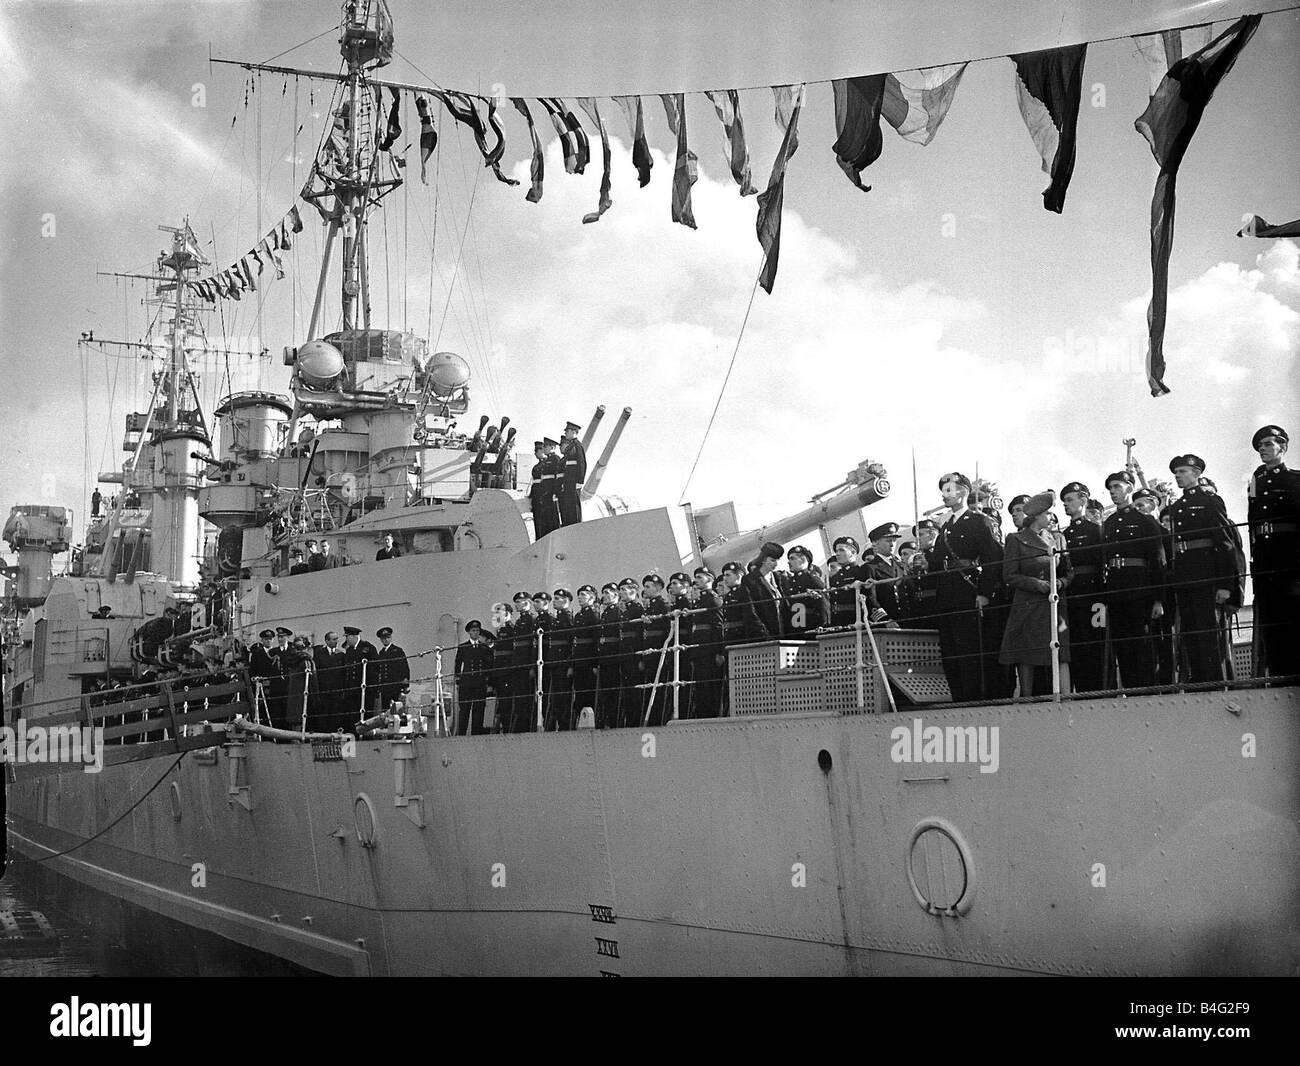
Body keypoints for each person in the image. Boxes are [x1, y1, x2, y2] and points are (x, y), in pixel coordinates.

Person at [1163, 454, 1240, 684]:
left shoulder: (1209, 501)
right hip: (1185, 578)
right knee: (1190, 635)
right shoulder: (1176, 507)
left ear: (1196, 474)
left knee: (1208, 636)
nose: (1178, 475)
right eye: (1176, 472)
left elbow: (1225, 544)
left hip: (1206, 577)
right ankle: (1199, 684)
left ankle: (1215, 684)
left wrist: (1226, 584)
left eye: (1183, 471)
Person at [932, 472, 1004, 702]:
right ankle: (958, 697)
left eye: (949, 490)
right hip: (947, 592)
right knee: (950, 650)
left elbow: (993, 559)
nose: (944, 495)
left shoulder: (979, 521)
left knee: (968, 648)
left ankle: (973, 697)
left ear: (963, 491)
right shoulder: (946, 525)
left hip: (968, 589)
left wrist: (984, 593)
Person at [1000, 491, 1072, 697]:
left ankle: (1065, 697)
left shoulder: (1057, 539)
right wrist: (1037, 584)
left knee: (1061, 653)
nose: (1051, 518)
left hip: (1054, 605)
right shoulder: (1016, 539)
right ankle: (1027, 698)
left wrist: (1061, 582)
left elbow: (1069, 571)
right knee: (1026, 655)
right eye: (1047, 514)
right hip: (1029, 605)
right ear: (1037, 517)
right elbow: (1010, 575)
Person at [1101, 471, 1166, 689]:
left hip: (1140, 589)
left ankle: (1147, 692)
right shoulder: (1108, 523)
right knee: (1123, 647)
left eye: (1117, 487)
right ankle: (1130, 691)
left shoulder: (1145, 521)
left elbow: (1158, 560)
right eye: (1110, 488)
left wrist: (1158, 598)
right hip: (1116, 590)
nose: (1113, 492)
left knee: (1142, 645)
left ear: (1129, 487)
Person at [1246, 424, 1300, 677]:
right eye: (1260, 446)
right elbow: (1253, 529)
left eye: (1268, 444)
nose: (1263, 449)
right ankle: (1279, 679)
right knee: (1272, 631)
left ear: (1283, 447)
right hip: (1265, 566)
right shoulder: (1255, 485)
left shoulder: (1294, 480)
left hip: (1291, 564)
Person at [1060, 481, 1106, 692]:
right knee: (1076, 644)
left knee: (1095, 643)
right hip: (1072, 594)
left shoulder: (1095, 530)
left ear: (1083, 500)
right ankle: (1081, 689)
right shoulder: (1064, 535)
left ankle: (1097, 689)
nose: (1066, 504)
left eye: (1070, 499)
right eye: (1064, 501)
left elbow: (1101, 562)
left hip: (1093, 593)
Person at [687, 566, 725, 718]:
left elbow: (718, 627)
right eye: (695, 577)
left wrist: (719, 651)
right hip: (699, 649)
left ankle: (711, 715)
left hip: (709, 650)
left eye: (700, 578)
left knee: (710, 686)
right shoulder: (699, 601)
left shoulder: (713, 599)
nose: (696, 581)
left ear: (709, 579)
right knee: (701, 685)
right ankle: (703, 714)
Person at [860, 523, 906, 624]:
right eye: (888, 540)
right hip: (887, 623)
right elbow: (870, 599)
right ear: (875, 543)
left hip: (907, 619)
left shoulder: (901, 565)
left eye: (894, 540)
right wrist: (885, 621)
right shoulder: (869, 568)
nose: (892, 544)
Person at [739, 542, 786, 640]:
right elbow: (750, 611)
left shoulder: (779, 578)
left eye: (777, 560)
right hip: (763, 636)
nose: (775, 564)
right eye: (772, 560)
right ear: (763, 560)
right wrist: (764, 635)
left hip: (782, 633)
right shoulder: (749, 580)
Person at [570, 585, 601, 726]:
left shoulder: (593, 616)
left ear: (592, 598)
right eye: (579, 595)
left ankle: (588, 720)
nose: (580, 597)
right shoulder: (578, 615)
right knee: (580, 692)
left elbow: (595, 641)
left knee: (588, 692)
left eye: (584, 594)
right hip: (579, 661)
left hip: (588, 661)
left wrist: (594, 663)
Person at [454, 620, 493, 735]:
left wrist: (489, 683)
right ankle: (462, 733)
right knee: (464, 710)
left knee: (479, 710)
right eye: (473, 631)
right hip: (467, 682)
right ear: (469, 632)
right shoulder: (463, 647)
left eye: (477, 631)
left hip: (479, 682)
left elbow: (488, 666)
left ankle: (476, 733)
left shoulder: (484, 648)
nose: (475, 633)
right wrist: (458, 678)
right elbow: (458, 664)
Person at [616, 578, 645, 727]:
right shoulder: (626, 610)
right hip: (625, 653)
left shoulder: (637, 610)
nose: (620, 593)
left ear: (633, 591)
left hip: (633, 653)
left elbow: (640, 635)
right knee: (628, 689)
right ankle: (630, 719)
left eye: (623, 590)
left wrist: (640, 657)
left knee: (635, 690)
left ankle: (635, 720)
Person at [545, 588, 575, 729]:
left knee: (563, 697)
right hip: (555, 662)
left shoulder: (567, 618)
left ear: (566, 601)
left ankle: (564, 725)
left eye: (557, 598)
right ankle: (559, 723)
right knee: (556, 698)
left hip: (562, 662)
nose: (554, 601)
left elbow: (571, 642)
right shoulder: (557, 618)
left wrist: (569, 664)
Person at [779, 545, 825, 635]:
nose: (789, 562)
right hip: (793, 628)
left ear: (803, 560)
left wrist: (822, 625)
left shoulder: (812, 579)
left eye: (792, 559)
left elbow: (823, 605)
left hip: (809, 626)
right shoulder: (789, 581)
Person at [594, 583, 623, 728]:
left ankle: (614, 721)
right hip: (605, 657)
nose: (604, 595)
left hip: (613, 656)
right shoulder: (605, 613)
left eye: (607, 593)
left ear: (615, 594)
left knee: (613, 692)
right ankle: (607, 720)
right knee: (606, 692)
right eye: (603, 593)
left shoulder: (617, 612)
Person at [511, 592, 540, 731]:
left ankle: (528, 725)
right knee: (520, 696)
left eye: (519, 602)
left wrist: (532, 666)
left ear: (527, 602)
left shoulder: (532, 619)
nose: (516, 605)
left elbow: (533, 644)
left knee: (527, 696)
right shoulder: (519, 621)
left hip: (526, 662)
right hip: (518, 662)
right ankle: (521, 723)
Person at [312, 630, 347, 731]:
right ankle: (324, 734)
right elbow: (316, 673)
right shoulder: (319, 654)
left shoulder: (341, 655)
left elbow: (343, 673)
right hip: (323, 690)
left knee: (335, 715)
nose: (336, 641)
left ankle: (334, 733)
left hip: (336, 691)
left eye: (337, 639)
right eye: (333, 639)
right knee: (323, 714)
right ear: (327, 641)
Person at [827, 536, 866, 628]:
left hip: (855, 621)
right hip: (838, 622)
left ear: (853, 552)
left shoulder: (860, 572)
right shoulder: (836, 577)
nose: (837, 554)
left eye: (841, 550)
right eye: (836, 551)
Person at [488, 603, 515, 732]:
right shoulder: (500, 630)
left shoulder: (511, 629)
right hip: (499, 671)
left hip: (506, 671)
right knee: (501, 701)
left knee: (506, 702)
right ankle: (503, 725)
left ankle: (507, 727)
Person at [341, 625, 378, 717]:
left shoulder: (368, 648)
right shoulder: (349, 650)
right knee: (353, 711)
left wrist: (373, 687)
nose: (347, 640)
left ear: (353, 636)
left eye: (347, 637)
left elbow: (375, 668)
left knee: (366, 711)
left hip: (365, 688)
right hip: (353, 688)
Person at [558, 421, 587, 527]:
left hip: (574, 482)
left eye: (567, 431)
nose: (566, 433)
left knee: (574, 508)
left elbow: (582, 463)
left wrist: (580, 481)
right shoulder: (570, 447)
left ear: (573, 432)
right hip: (568, 482)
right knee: (569, 508)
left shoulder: (577, 446)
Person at [373, 626, 410, 711]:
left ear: (390, 638)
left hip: (396, 685)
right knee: (385, 709)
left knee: (397, 708)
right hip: (385, 686)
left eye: (388, 637)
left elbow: (404, 667)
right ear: (381, 640)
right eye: (383, 638)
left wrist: (405, 685)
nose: (386, 640)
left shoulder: (397, 651)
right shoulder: (381, 653)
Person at [528, 441, 560, 540]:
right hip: (539, 495)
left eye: (538, 450)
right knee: (539, 520)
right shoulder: (538, 467)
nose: (536, 453)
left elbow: (555, 479)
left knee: (549, 520)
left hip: (548, 494)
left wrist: (555, 493)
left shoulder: (554, 460)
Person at [249, 628, 280, 722]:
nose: (268, 641)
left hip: (274, 685)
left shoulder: (277, 652)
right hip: (261, 684)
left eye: (270, 639)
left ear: (273, 640)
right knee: (261, 708)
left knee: (273, 707)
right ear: (262, 640)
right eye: (266, 639)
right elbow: (253, 669)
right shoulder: (257, 653)